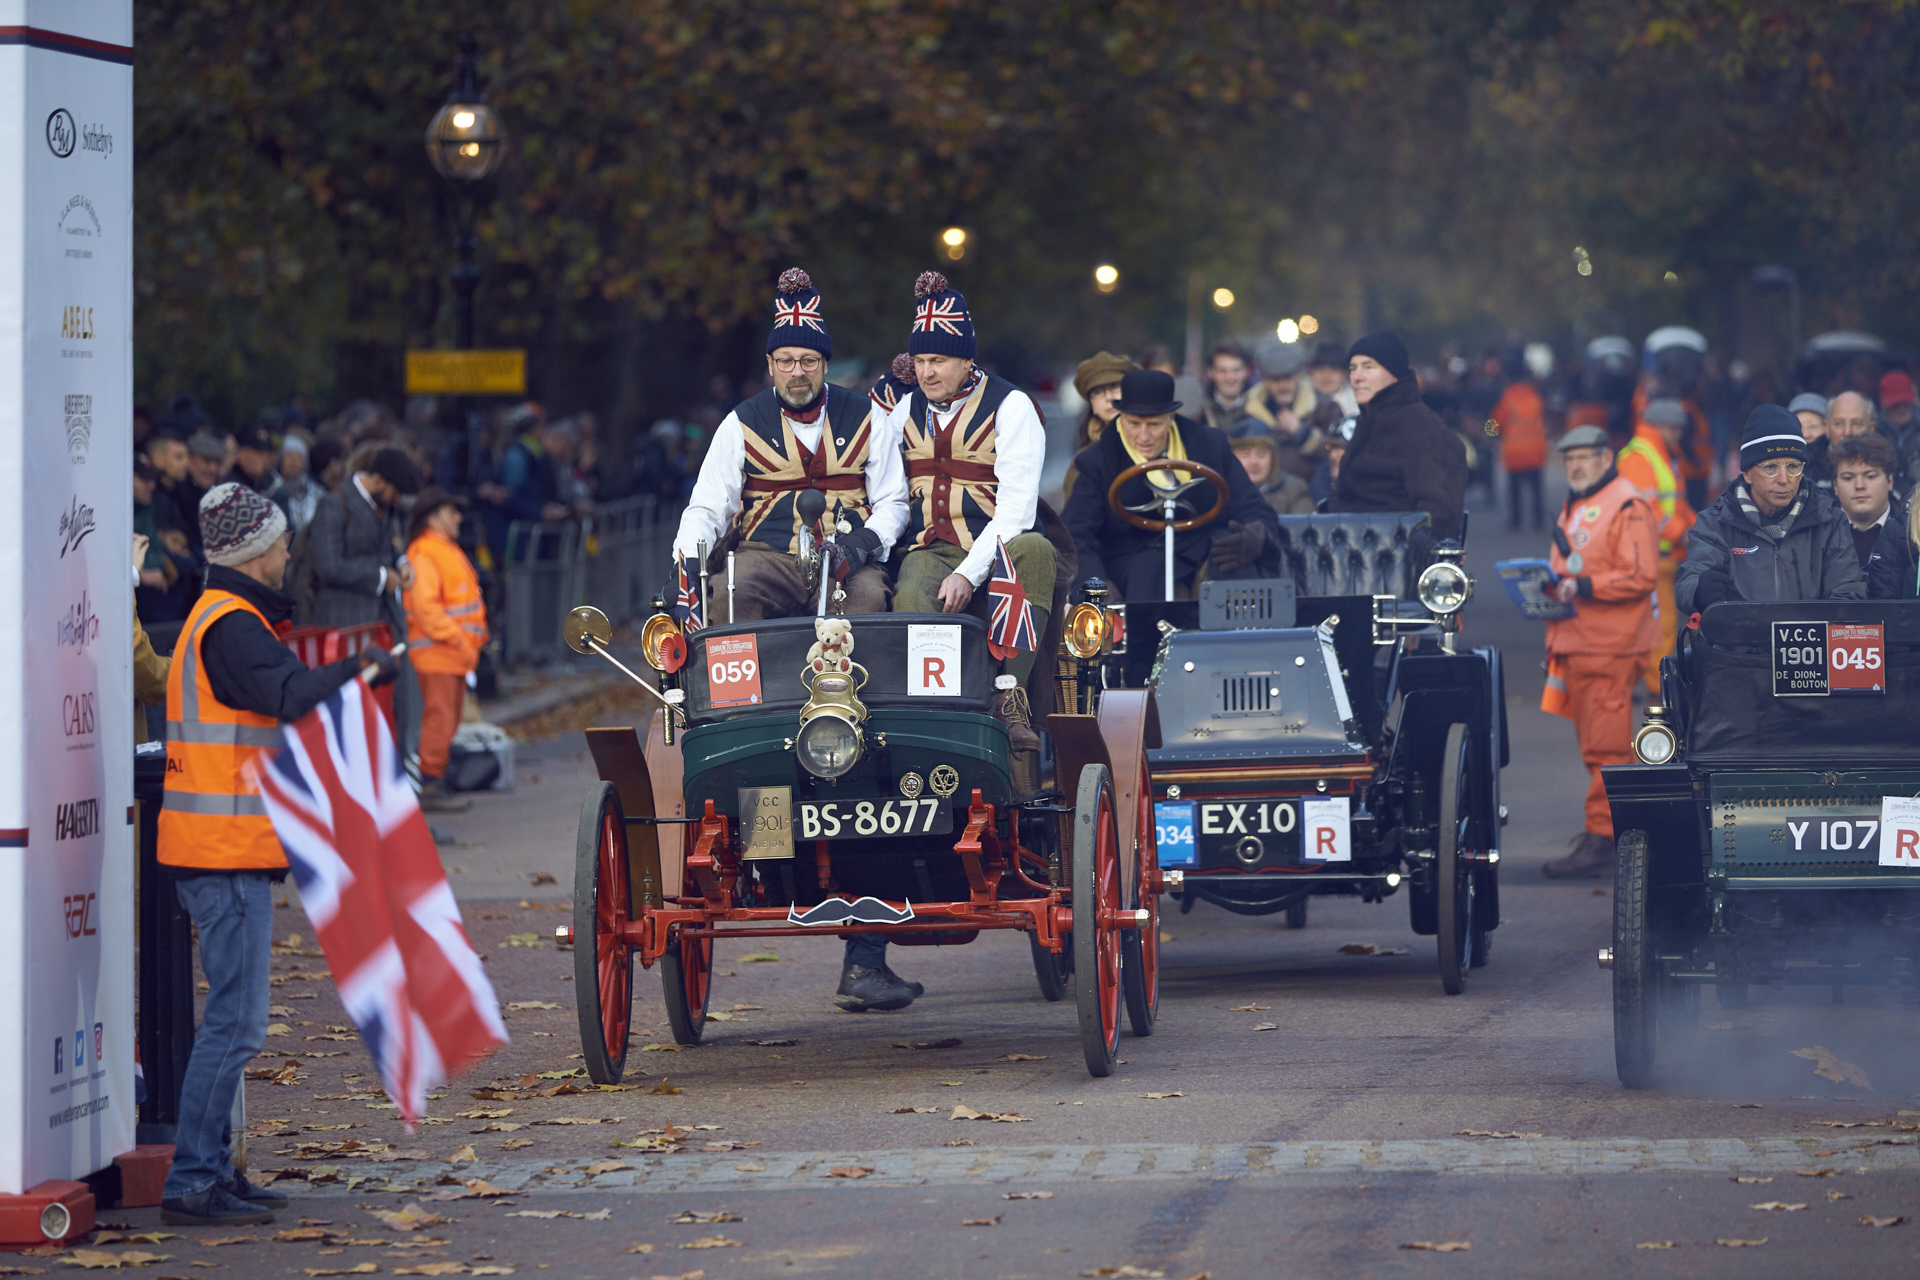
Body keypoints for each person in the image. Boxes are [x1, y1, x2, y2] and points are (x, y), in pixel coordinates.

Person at [159, 484, 398, 1226]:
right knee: (236, 1023)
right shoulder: (231, 625)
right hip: (222, 852)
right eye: (282, 541)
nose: (290, 551)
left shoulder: (219, 618)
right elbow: (291, 695)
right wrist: (363, 669)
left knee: (236, 1021)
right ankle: (194, 1178)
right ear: (254, 550)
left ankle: (214, 1170)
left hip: (220, 848)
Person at [671, 269, 906, 624]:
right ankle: (749, 682)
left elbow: (893, 501)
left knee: (867, 602)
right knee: (731, 596)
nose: (797, 371)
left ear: (826, 364)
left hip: (846, 559)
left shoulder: (868, 416)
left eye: (809, 360)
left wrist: (862, 544)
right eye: (785, 361)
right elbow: (708, 507)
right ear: (770, 365)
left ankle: (849, 682)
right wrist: (685, 566)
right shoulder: (740, 423)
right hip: (765, 557)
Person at [887, 270, 1055, 748]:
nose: (926, 373)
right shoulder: (902, 412)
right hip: (930, 547)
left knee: (1037, 551)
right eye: (919, 361)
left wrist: (969, 573)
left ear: (966, 360)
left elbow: (1018, 510)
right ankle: (934, 715)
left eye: (938, 360)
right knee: (913, 592)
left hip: (999, 547)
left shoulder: (1013, 406)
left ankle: (1011, 697)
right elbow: (890, 496)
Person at [1538, 427, 1660, 880]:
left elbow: (1641, 574)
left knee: (1607, 748)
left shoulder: (1625, 503)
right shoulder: (1583, 501)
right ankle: (1606, 835)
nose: (1576, 466)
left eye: (1586, 458)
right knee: (1597, 746)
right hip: (1582, 642)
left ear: (1606, 457)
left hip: (1609, 645)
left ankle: (1606, 838)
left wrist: (1585, 585)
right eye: (1570, 459)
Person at [1062, 369, 1280, 600]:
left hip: (1203, 547)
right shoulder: (1096, 461)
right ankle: (1145, 635)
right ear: (1121, 417)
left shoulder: (1211, 444)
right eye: (1134, 424)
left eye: (1154, 425)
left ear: (1171, 418)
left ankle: (1241, 635)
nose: (1144, 437)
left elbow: (1252, 506)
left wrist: (1256, 534)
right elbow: (1076, 534)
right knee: (1150, 573)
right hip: (1133, 556)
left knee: (1236, 567)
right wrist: (1095, 584)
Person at [1675, 405, 1866, 612]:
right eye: (1770, 468)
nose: (1783, 480)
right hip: (1738, 642)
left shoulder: (1829, 519)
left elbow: (1848, 592)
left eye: (1793, 467)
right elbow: (1688, 581)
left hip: (1810, 643)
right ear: (1747, 473)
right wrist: (1698, 591)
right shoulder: (1715, 523)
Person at [1325, 332, 1468, 540]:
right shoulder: (1368, 421)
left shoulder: (1422, 428)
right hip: (1353, 552)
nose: (1357, 377)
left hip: (1393, 560)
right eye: (1352, 368)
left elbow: (1437, 514)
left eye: (1368, 367)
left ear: (1394, 375)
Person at [404, 487, 488, 813]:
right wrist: (458, 640)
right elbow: (426, 609)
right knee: (440, 719)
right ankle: (430, 784)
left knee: (446, 719)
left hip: (451, 652)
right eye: (452, 511)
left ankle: (434, 780)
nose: (458, 517)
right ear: (433, 516)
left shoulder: (441, 549)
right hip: (440, 652)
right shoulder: (426, 552)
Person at [1615, 398, 1696, 696]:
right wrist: (1683, 533)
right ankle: (1659, 688)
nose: (1680, 435)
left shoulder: (1657, 455)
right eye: (1677, 429)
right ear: (1664, 427)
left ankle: (1644, 682)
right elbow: (1650, 512)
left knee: (1647, 624)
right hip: (1650, 555)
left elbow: (1676, 504)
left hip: (1656, 554)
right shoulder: (1641, 457)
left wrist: (1696, 528)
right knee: (1659, 626)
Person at [303, 446, 420, 629]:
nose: (398, 499)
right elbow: (329, 567)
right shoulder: (334, 504)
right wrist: (381, 578)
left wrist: (401, 562)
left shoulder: (385, 504)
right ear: (378, 480)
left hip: (385, 620)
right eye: (396, 492)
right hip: (345, 621)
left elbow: (385, 545)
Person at [1491, 360, 1549, 531]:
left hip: (1514, 453)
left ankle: (1516, 520)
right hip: (1536, 451)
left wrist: (1486, 434)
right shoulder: (1535, 397)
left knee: (1514, 490)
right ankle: (1538, 521)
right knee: (1536, 489)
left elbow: (1495, 422)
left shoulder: (1507, 399)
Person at [1830, 432, 1899, 570]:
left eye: (1870, 476)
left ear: (1890, 481)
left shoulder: (1913, 532)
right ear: (1835, 486)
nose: (1859, 485)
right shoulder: (1820, 533)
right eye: (1848, 478)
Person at [1229, 418, 1315, 516]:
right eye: (1245, 455)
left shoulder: (1294, 489)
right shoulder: (1221, 492)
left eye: (1261, 454)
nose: (1254, 462)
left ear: (1273, 458)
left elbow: (1302, 527)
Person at [1196, 341, 1270, 433]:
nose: (1230, 377)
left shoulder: (1264, 408)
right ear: (1210, 372)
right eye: (1222, 371)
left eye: (1236, 370)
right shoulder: (1198, 411)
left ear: (1247, 371)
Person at [1072, 351, 1136, 448]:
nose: (1109, 397)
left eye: (1114, 386)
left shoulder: (1155, 441)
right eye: (1098, 392)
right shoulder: (1084, 457)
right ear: (1091, 404)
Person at [228, 422, 291, 519]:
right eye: (259, 453)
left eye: (268, 453)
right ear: (241, 452)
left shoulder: (273, 486)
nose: (266, 459)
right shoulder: (227, 488)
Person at [1789, 392, 1833, 495]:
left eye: (1813, 426)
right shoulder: (1783, 463)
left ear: (1827, 427)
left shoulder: (1836, 460)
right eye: (1799, 428)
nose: (1806, 434)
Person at [1307, 342, 1360, 417]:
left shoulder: (1357, 405)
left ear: (1345, 375)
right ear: (1311, 373)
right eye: (1320, 369)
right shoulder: (1298, 400)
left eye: (1333, 370)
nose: (1326, 376)